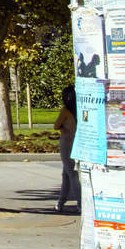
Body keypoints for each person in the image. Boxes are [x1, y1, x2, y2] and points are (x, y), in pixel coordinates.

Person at [53, 85, 80, 213]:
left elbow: (56, 125)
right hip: (77, 142)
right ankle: (61, 202)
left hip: (67, 142)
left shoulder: (65, 111)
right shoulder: (78, 110)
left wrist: (63, 128)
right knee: (66, 174)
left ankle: (80, 202)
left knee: (72, 174)